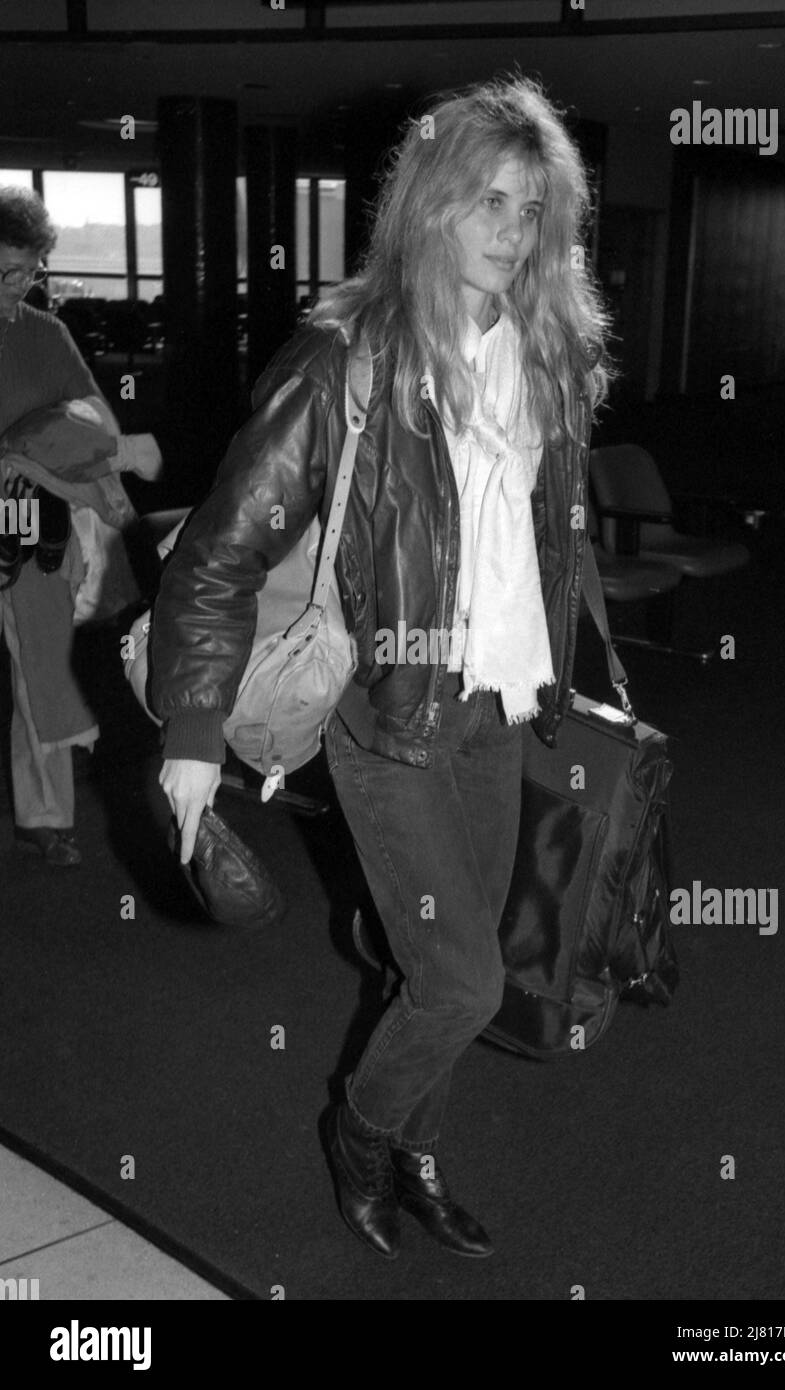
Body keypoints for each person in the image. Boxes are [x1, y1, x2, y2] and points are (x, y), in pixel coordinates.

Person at [151, 75, 611, 1259]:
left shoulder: (546, 352)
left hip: (498, 708)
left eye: (528, 206)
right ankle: (359, 1136)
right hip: (390, 717)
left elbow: (537, 533)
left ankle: (418, 1153)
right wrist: (194, 737)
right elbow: (214, 556)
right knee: (458, 980)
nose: (509, 229)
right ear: (427, 207)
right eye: (485, 202)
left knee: (457, 964)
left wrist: (563, 657)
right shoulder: (343, 362)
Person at [0, 186, 158, 868]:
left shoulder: (47, 332)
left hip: (33, 527)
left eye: (24, 271)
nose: (13, 284)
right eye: (4, 269)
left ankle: (45, 814)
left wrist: (107, 468)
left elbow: (97, 415)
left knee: (40, 663)